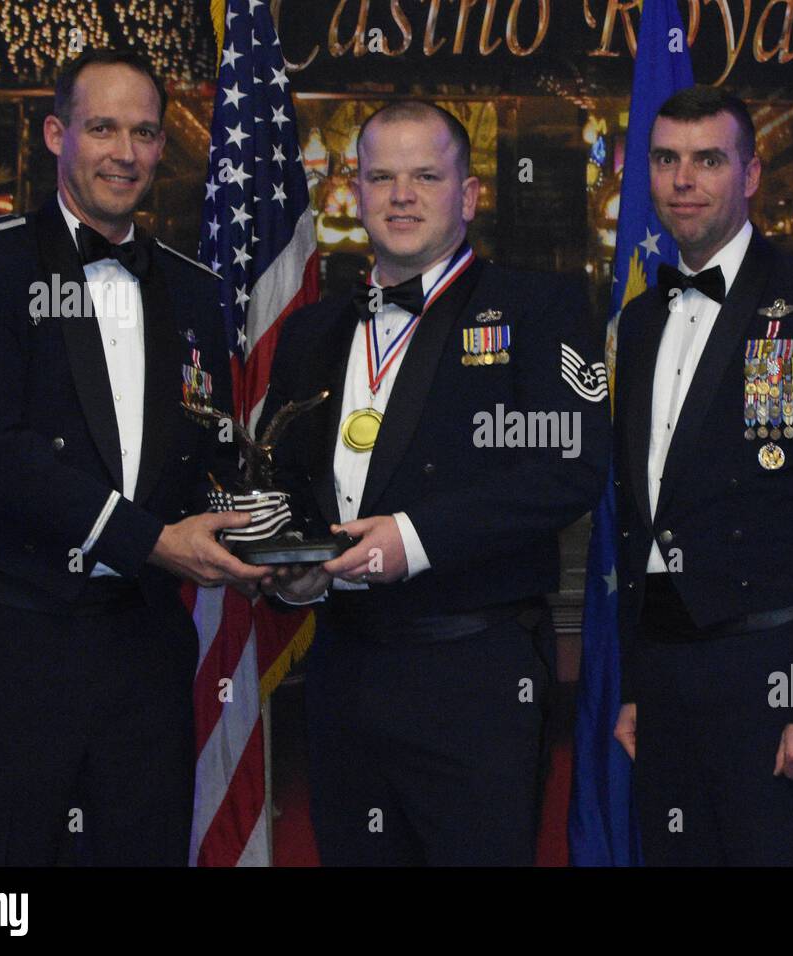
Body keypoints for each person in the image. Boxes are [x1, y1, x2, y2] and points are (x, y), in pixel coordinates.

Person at [0, 48, 269, 866]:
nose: (125, 151)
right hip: (13, 644)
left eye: (144, 132)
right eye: (103, 128)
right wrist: (151, 540)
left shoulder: (194, 289)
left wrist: (279, 535)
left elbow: (210, 448)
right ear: (57, 134)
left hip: (144, 651)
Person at [257, 101, 610, 866]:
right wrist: (289, 571)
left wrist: (411, 540)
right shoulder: (311, 331)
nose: (402, 195)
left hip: (476, 676)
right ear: (352, 190)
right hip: (343, 671)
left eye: (426, 175)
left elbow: (570, 469)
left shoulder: (537, 309)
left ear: (470, 194)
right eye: (381, 176)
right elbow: (287, 479)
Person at [608, 86, 793, 865]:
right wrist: (636, 683)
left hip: (778, 674)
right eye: (666, 160)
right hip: (667, 670)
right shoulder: (637, 324)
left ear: (752, 173)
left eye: (708, 159)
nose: (684, 179)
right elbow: (641, 519)